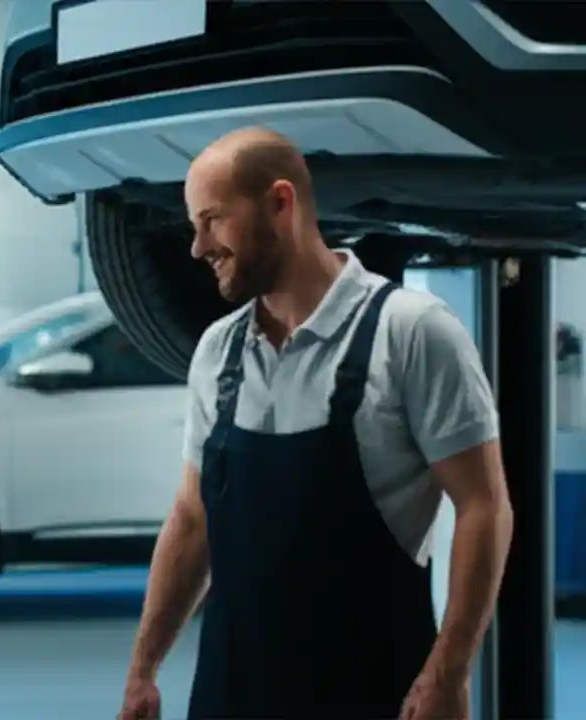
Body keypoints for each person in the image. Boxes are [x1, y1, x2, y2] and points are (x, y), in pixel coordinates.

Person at [118, 127, 513, 720]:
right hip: (230, 697)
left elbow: (485, 507)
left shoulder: (410, 331)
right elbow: (193, 517)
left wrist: (448, 673)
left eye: (213, 220)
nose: (198, 248)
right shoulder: (217, 352)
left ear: (281, 203)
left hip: (370, 694)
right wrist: (142, 670)